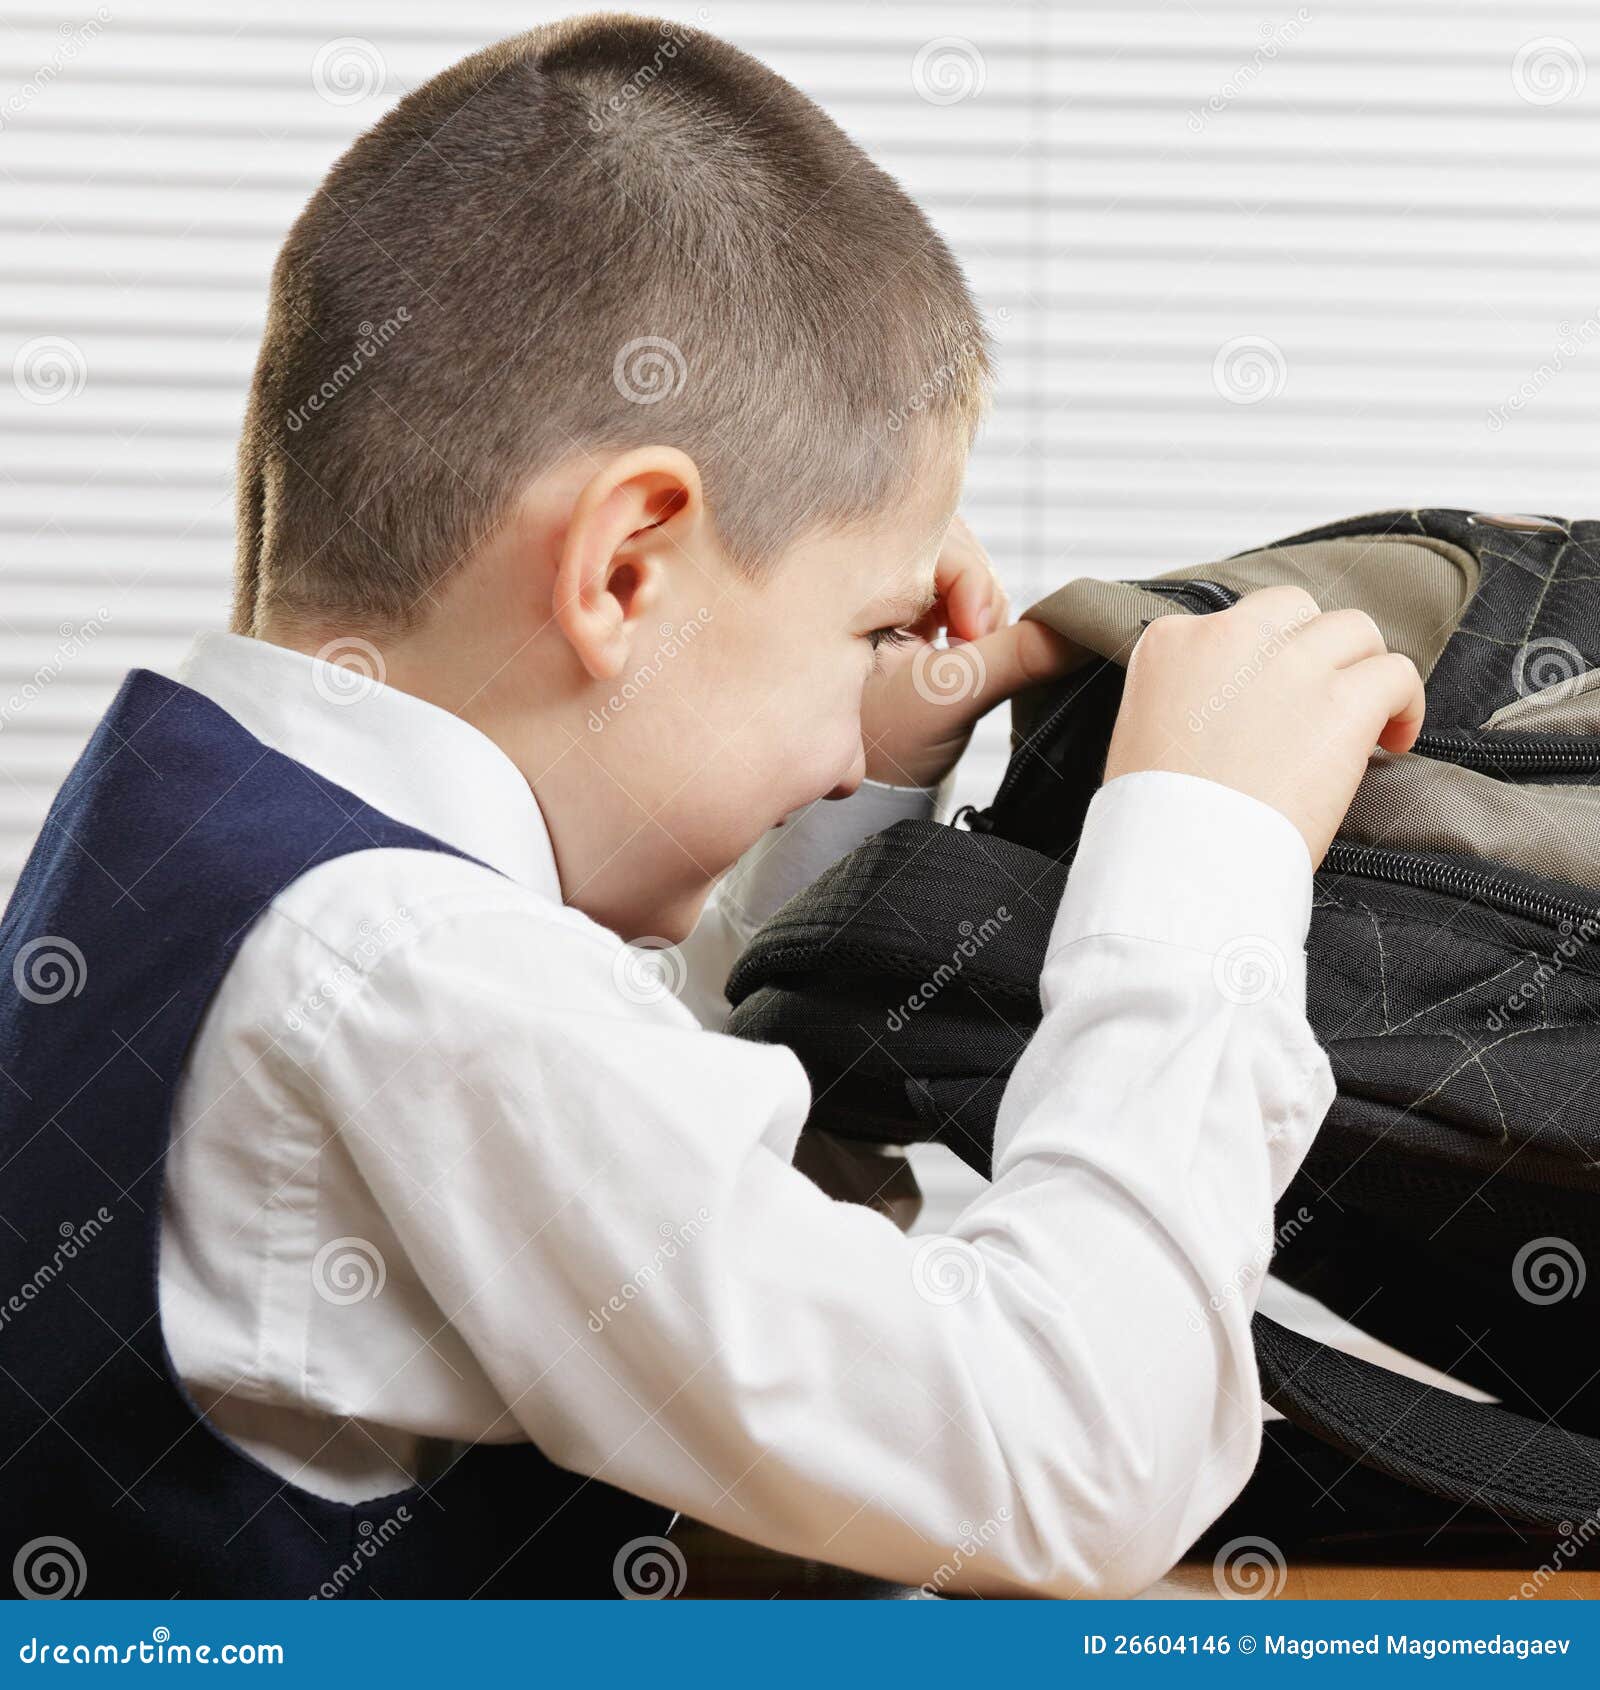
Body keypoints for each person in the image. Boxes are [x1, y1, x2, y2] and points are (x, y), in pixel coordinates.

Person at [0, 16, 1422, 1598]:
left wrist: (857, 792)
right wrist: (1202, 854)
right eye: (866, 627)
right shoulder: (403, 969)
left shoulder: (205, 831)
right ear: (624, 570)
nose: (853, 736)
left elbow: (674, 1210)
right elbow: (1068, 1457)